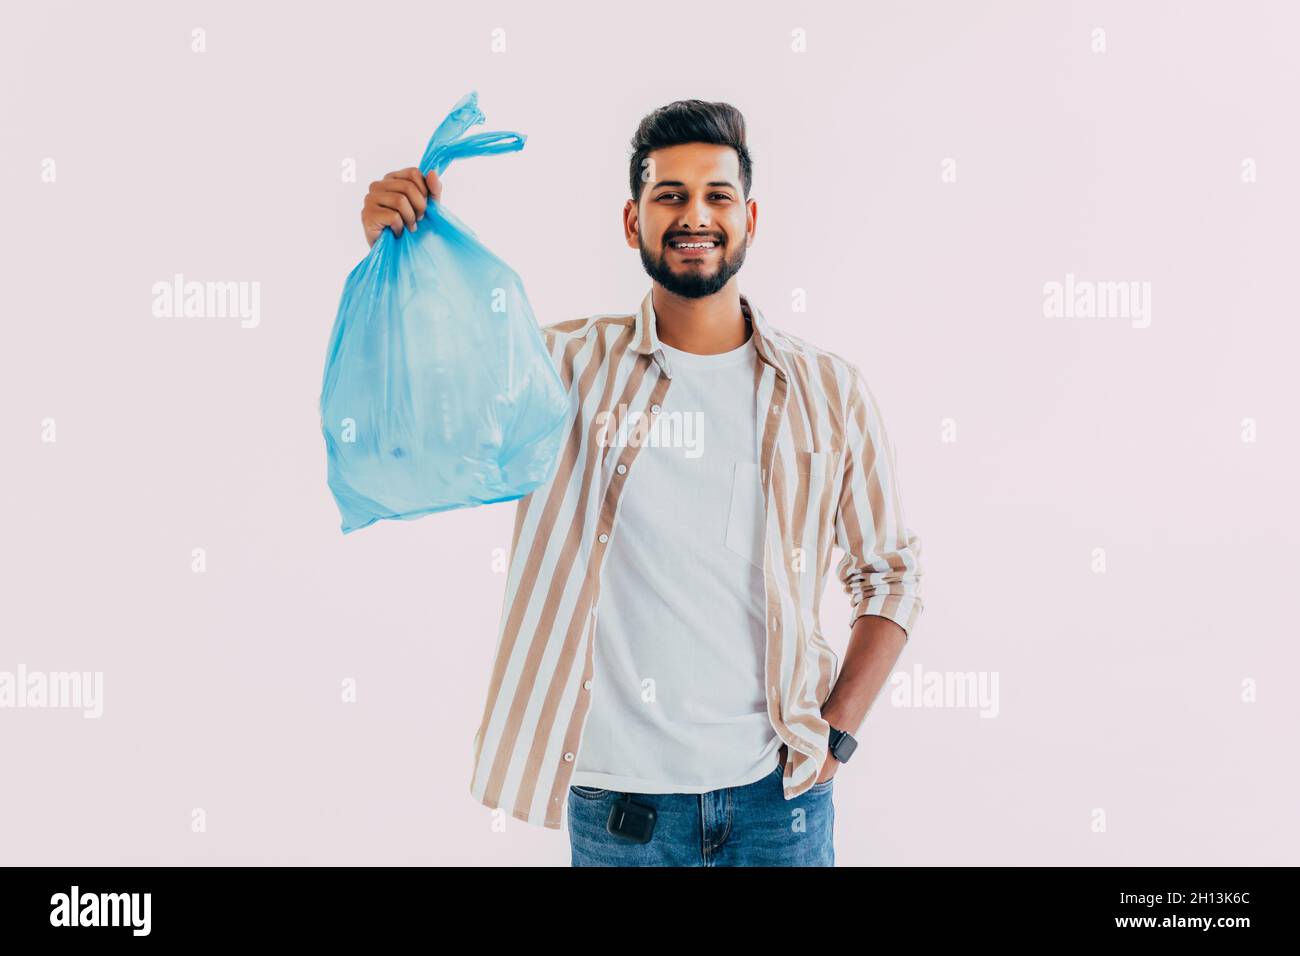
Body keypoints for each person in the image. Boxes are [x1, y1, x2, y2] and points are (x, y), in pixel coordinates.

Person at [359, 99, 924, 866]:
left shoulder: (829, 392)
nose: (696, 215)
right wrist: (397, 263)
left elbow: (889, 576)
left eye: (716, 196)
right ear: (633, 222)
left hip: (780, 804)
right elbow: (436, 412)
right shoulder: (561, 371)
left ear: (749, 218)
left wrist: (838, 734)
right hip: (622, 813)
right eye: (670, 196)